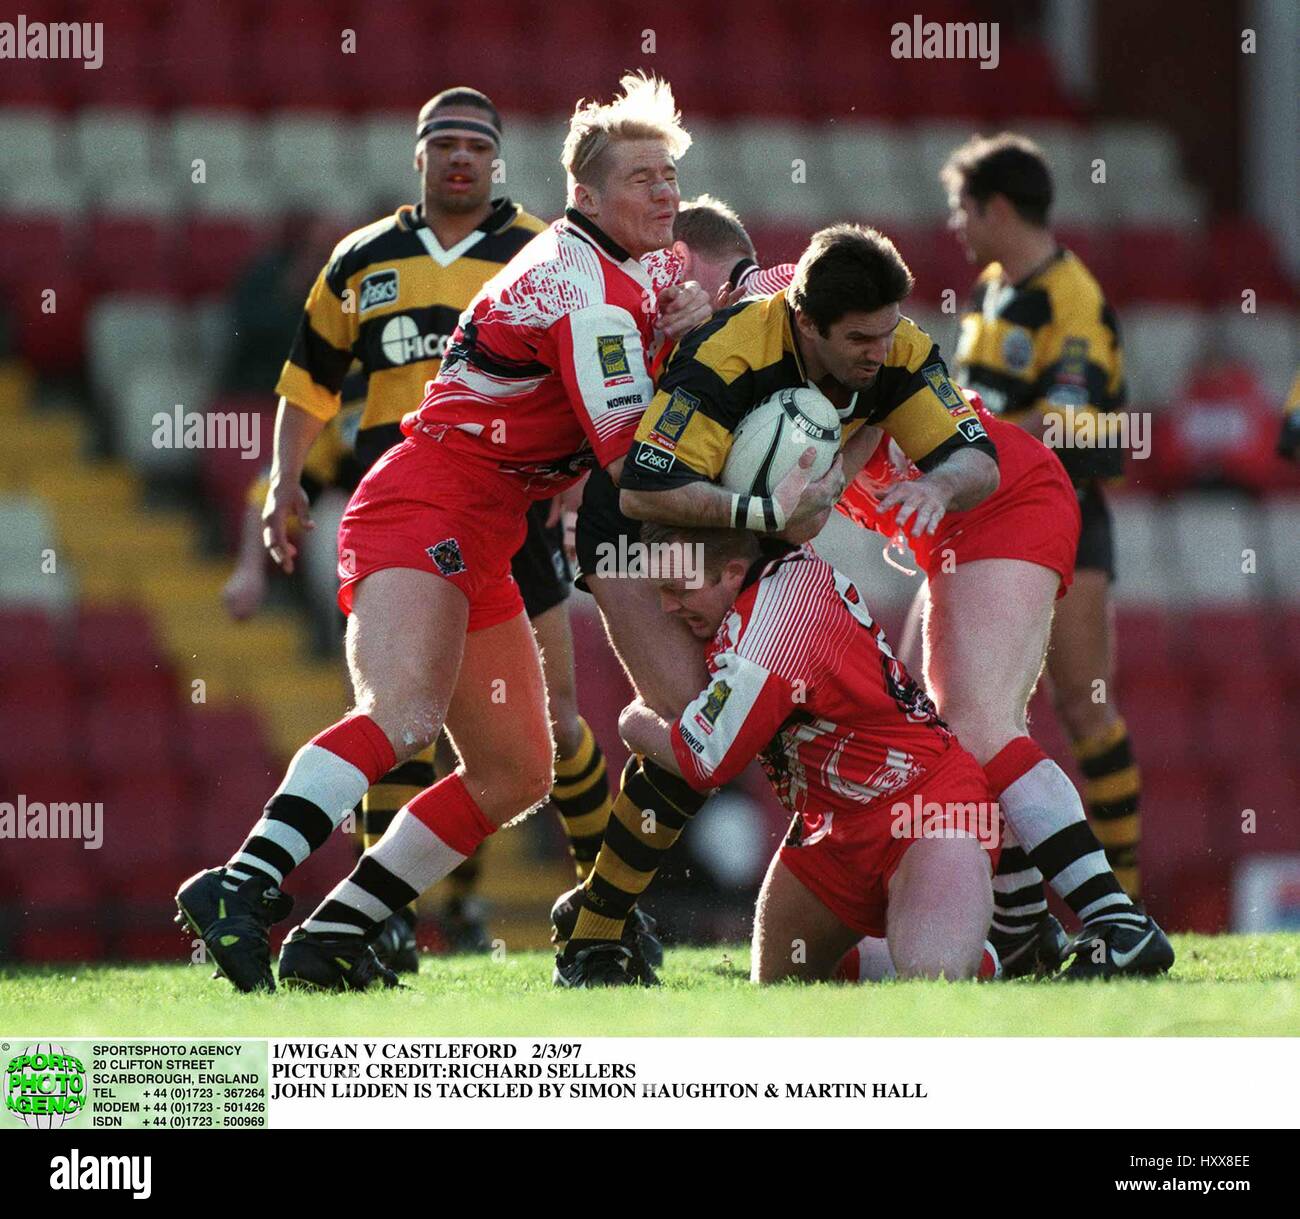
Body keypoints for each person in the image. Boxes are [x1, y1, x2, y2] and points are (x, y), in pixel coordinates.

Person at [176, 73, 714, 992]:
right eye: (641, 179)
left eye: (670, 175)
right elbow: (633, 470)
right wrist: (761, 506)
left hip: (489, 520)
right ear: (584, 195)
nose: (665, 195)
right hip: (423, 498)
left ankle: (336, 929)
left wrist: (693, 322)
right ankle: (242, 882)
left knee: (517, 769)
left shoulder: (636, 258)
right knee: (403, 714)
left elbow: (694, 284)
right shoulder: (581, 289)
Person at [675, 193, 1170, 978]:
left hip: (998, 494)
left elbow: (919, 421)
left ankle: (1114, 916)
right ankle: (1023, 926)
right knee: (957, 734)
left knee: (976, 722)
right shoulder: (721, 356)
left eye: (679, 272)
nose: (669, 289)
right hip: (944, 526)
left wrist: (916, 481)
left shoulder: (784, 301)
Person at [555, 222, 1000, 987]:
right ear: (805, 322)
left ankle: (599, 918)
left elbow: (977, 459)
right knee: (693, 717)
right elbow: (643, 487)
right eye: (859, 337)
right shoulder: (728, 348)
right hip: (642, 527)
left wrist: (935, 483)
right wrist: (771, 515)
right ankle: (596, 934)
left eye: (884, 333)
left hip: (747, 532)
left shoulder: (880, 335)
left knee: (732, 714)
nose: (877, 350)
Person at [617, 524, 997, 982]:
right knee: (782, 986)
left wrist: (632, 722)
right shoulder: (775, 566)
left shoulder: (772, 633)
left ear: (734, 573)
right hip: (831, 825)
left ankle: (992, 959)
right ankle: (907, 951)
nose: (667, 606)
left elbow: (705, 763)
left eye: (679, 589)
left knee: (933, 985)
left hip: (925, 805)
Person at [942, 133, 1145, 911]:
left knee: (1084, 708)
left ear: (996, 207)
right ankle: (1001, 906)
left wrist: (991, 432)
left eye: (963, 209)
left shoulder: (1073, 298)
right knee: (970, 713)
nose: (955, 226)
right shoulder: (993, 290)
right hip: (980, 526)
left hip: (1065, 521)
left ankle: (1122, 902)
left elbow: (1085, 430)